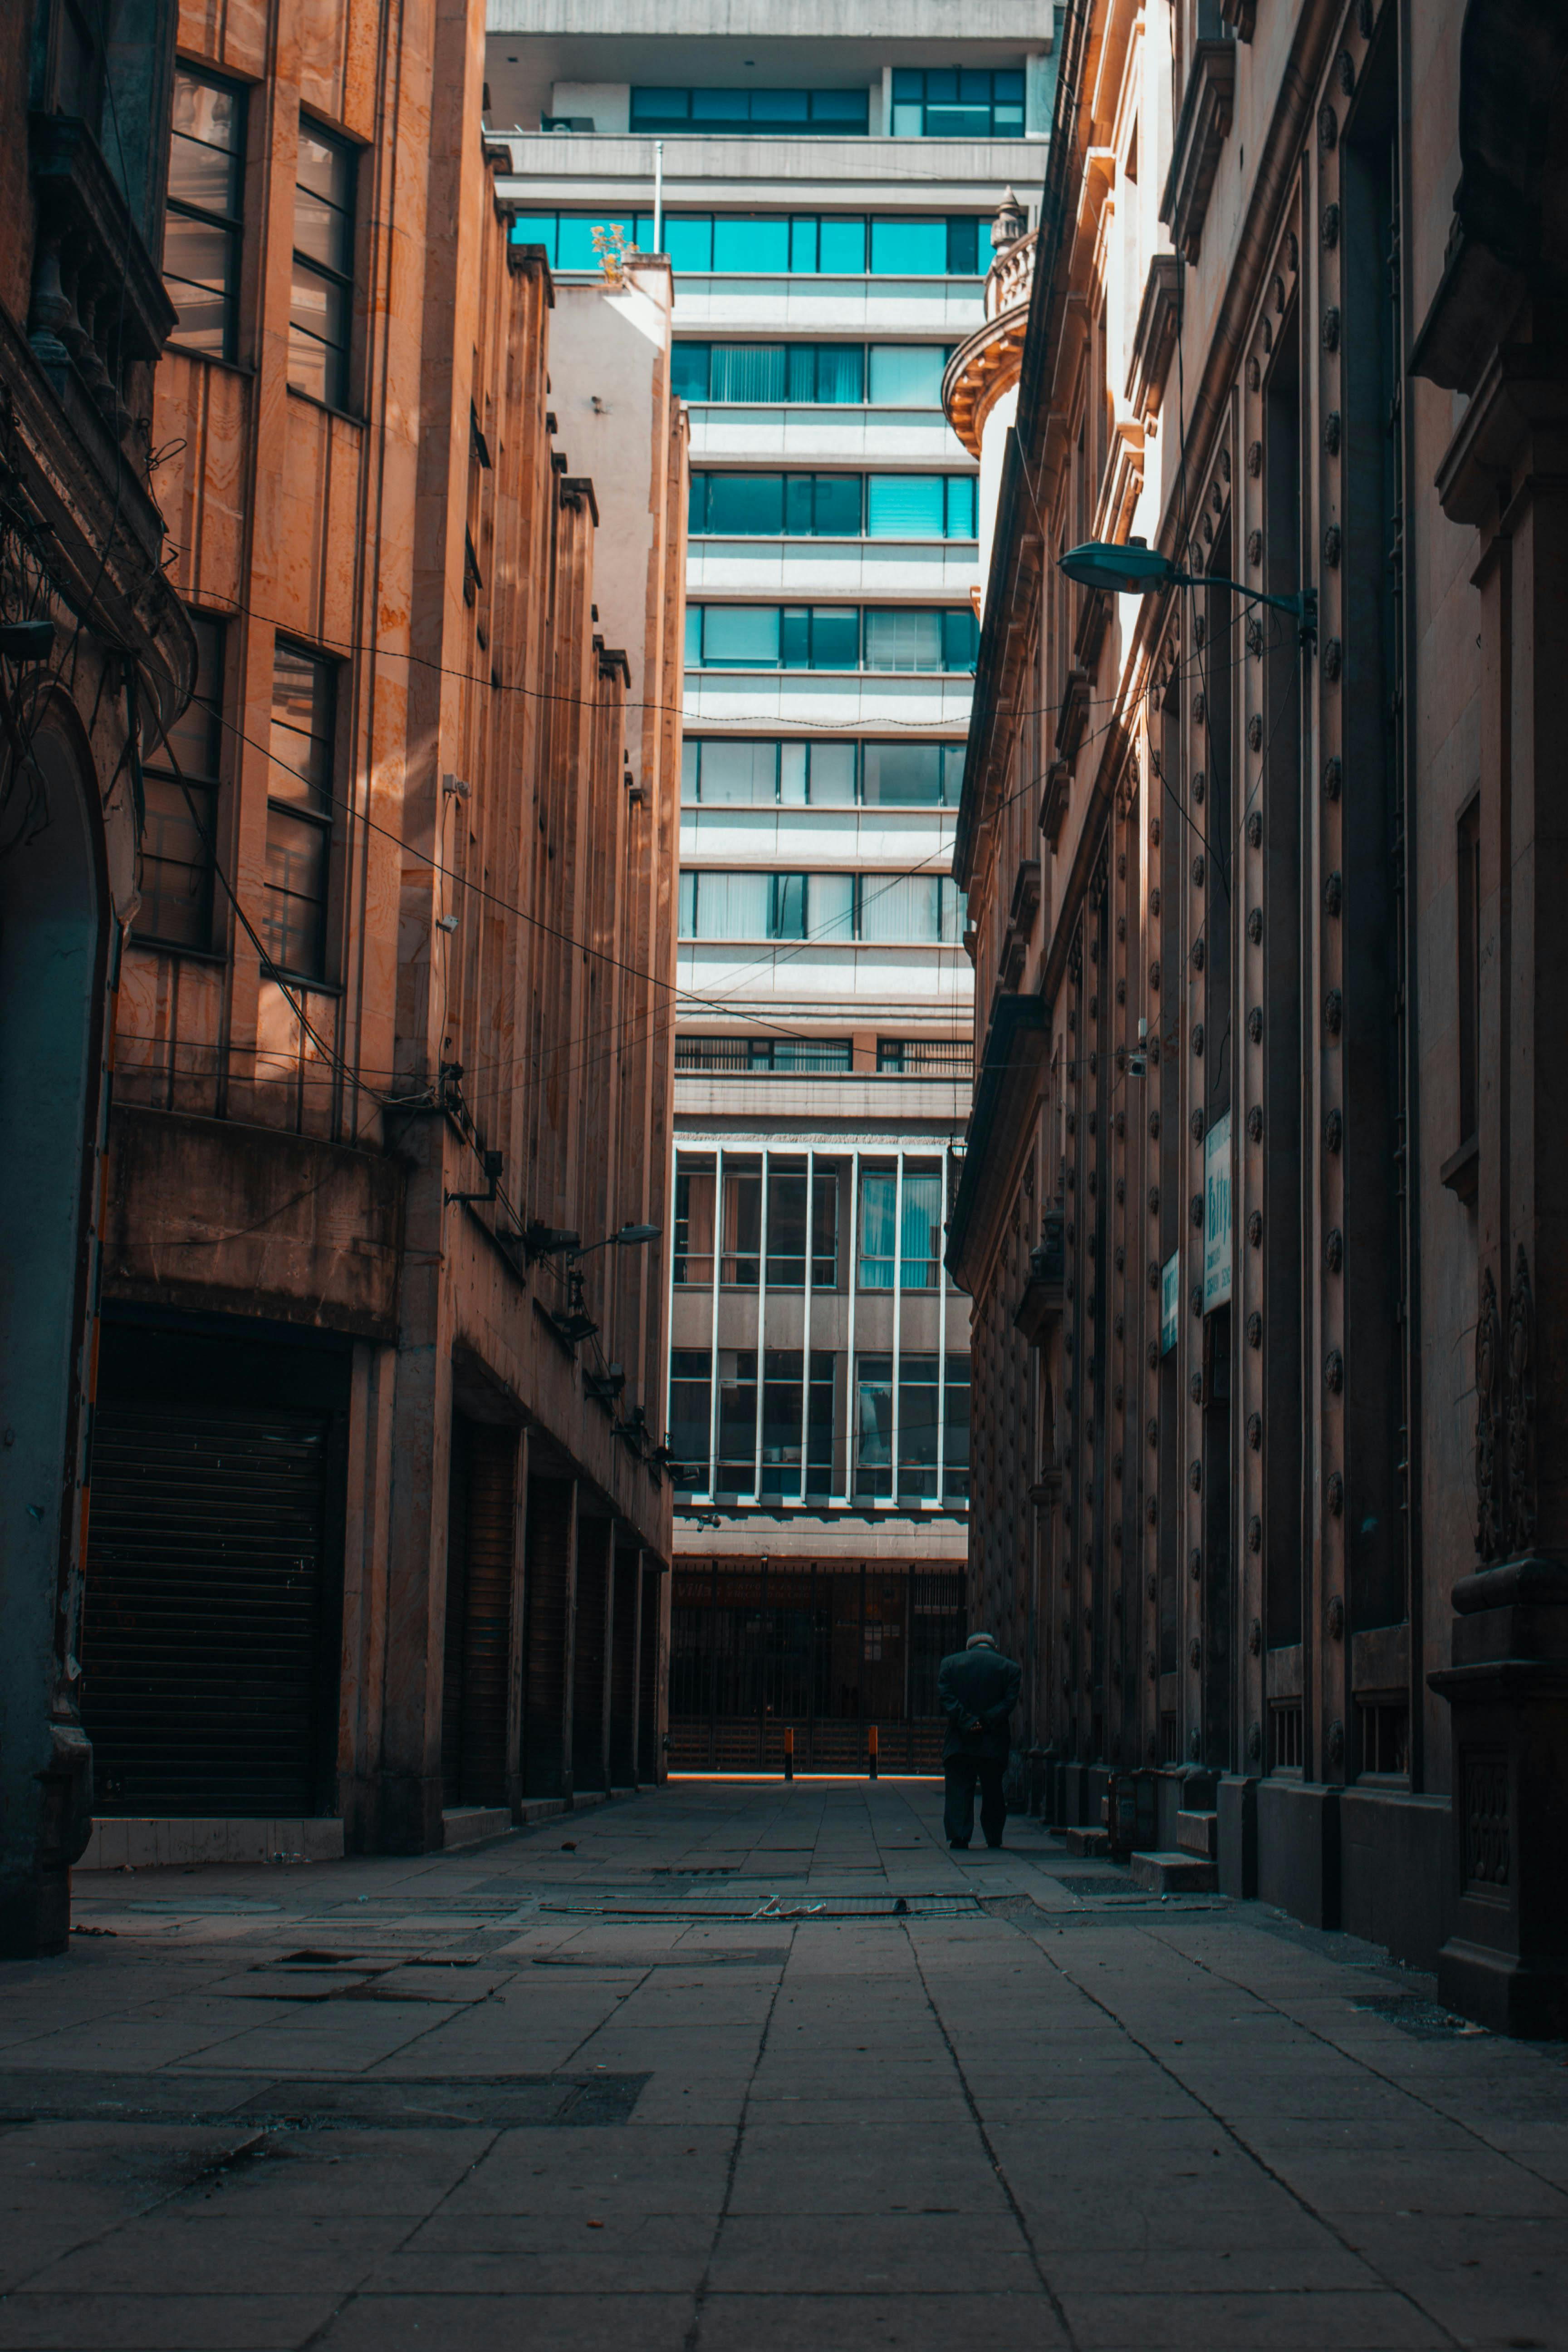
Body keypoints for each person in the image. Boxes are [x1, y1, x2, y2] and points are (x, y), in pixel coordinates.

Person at [937, 1631, 1023, 1850]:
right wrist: (986, 1721)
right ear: (993, 1647)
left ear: (969, 1648)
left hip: (960, 1740)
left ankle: (960, 1835)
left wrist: (967, 1721)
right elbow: (1008, 1704)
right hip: (992, 1742)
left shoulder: (949, 1665)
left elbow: (947, 1699)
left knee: (958, 1788)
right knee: (993, 1790)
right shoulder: (1010, 1669)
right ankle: (993, 1836)